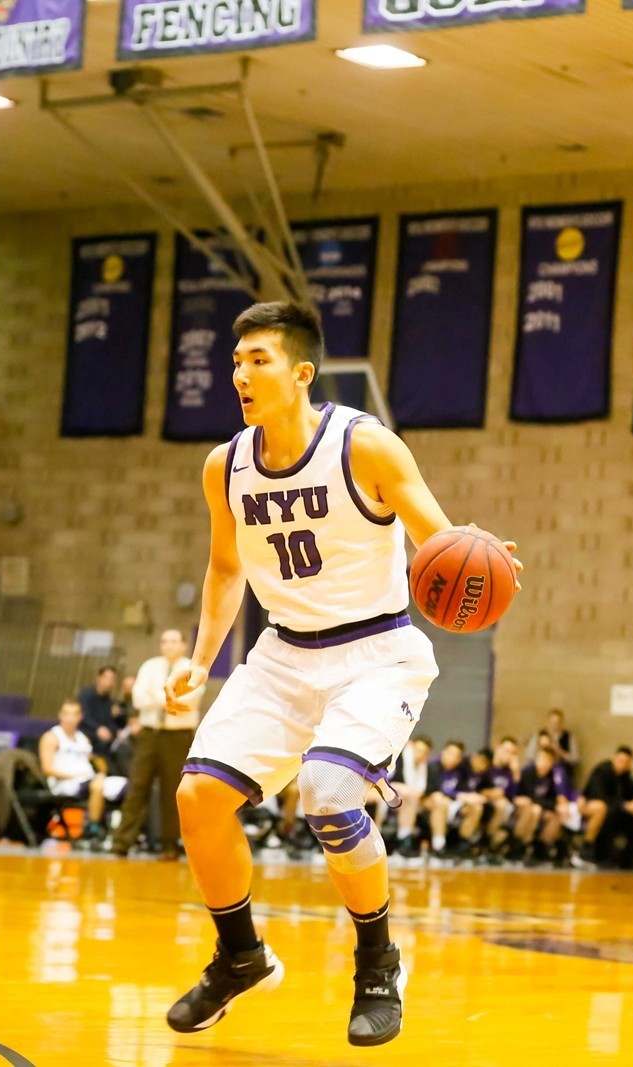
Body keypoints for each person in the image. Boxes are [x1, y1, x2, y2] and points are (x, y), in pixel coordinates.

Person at [162, 301, 520, 1046]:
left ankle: (379, 963)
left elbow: (436, 542)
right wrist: (199, 661)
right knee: (197, 797)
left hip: (376, 651)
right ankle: (240, 957)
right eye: (236, 362)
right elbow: (227, 569)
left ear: (301, 372)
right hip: (283, 654)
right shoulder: (224, 465)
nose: (241, 374)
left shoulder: (366, 446)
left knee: (327, 792)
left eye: (258, 360)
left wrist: (476, 555)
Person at [113, 629, 205, 858]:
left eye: (174, 641)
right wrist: (167, 696)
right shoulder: (150, 666)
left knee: (173, 792)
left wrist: (155, 696)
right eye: (165, 641)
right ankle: (122, 842)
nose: (169, 645)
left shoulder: (193, 668)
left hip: (178, 736)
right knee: (136, 787)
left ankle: (170, 846)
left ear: (184, 645)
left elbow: (189, 700)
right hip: (149, 735)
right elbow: (138, 698)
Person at [39, 700, 126, 838]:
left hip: (87, 779)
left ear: (80, 717)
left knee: (130, 786)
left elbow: (93, 761)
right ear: (60, 715)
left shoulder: (83, 738)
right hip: (65, 783)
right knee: (97, 785)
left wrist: (102, 772)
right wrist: (74, 776)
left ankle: (123, 831)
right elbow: (47, 769)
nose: (70, 718)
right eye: (66, 714)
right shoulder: (51, 737)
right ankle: (92, 828)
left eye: (74, 714)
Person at [512, 740, 574, 865]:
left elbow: (552, 799)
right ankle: (519, 846)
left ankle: (541, 848)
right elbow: (529, 797)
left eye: (546, 760)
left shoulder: (552, 776)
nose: (542, 763)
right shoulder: (528, 772)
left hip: (540, 806)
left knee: (555, 817)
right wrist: (546, 805)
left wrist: (556, 807)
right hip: (521, 807)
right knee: (535, 810)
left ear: (551, 763)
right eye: (540, 759)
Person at [388, 736, 431, 858]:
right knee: (408, 796)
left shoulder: (424, 766)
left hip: (408, 799)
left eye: (423, 752)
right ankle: (403, 841)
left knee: (412, 797)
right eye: (417, 750)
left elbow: (422, 790)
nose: (419, 754)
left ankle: (404, 839)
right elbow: (388, 780)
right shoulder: (399, 758)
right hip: (387, 794)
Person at [77, 666, 119, 756]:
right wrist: (98, 728)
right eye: (106, 678)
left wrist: (115, 731)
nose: (109, 682)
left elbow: (108, 720)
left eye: (112, 679)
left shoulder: (109, 701)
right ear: (99, 678)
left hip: (101, 734)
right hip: (84, 730)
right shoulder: (86, 694)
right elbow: (84, 717)